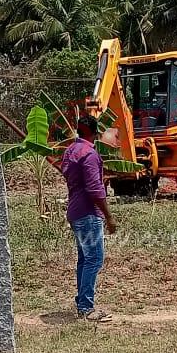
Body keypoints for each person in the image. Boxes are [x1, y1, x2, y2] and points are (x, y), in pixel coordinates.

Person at [61, 113, 117, 323]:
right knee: (94, 258)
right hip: (88, 213)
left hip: (75, 211)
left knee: (85, 259)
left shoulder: (70, 151)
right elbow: (95, 189)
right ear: (94, 133)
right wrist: (109, 217)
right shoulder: (90, 155)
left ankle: (82, 303)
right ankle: (86, 306)